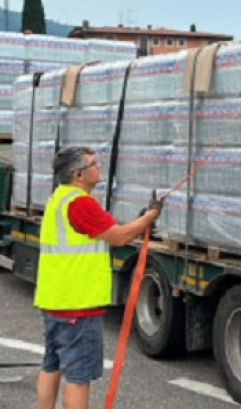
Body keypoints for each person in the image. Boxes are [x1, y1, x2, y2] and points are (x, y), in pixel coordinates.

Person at [35, 146, 160, 409]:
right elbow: (119, 236)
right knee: (79, 377)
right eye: (93, 164)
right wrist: (149, 218)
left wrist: (138, 222)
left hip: (54, 300)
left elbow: (106, 230)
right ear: (78, 174)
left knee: (52, 365)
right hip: (78, 304)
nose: (98, 167)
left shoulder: (59, 198)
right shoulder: (80, 203)